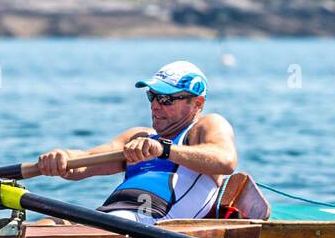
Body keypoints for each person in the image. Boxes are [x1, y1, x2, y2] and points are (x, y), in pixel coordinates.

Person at [35, 60, 236, 224]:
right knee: (42, 226)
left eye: (166, 100)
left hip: (153, 225)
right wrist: (62, 159)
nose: (156, 106)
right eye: (153, 96)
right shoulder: (139, 138)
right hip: (109, 216)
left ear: (197, 103)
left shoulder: (204, 127)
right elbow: (84, 163)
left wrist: (164, 150)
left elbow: (225, 161)